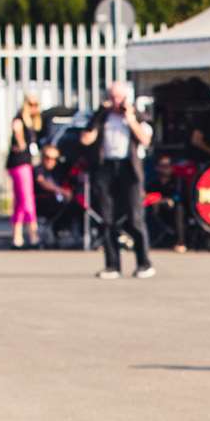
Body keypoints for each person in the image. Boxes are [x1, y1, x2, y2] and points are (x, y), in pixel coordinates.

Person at [77, 80, 154, 280]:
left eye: (119, 97)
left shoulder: (136, 115)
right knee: (107, 217)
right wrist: (98, 117)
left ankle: (144, 263)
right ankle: (112, 265)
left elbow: (146, 140)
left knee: (135, 217)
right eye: (112, 97)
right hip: (106, 168)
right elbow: (86, 139)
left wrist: (130, 118)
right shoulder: (101, 117)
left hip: (129, 168)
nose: (115, 101)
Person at [3, 95, 44, 249]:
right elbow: (19, 141)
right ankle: (33, 234)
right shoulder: (19, 120)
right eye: (31, 104)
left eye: (36, 104)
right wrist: (20, 142)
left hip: (26, 163)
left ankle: (17, 236)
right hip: (19, 163)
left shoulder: (33, 123)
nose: (34, 108)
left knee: (20, 201)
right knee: (27, 199)